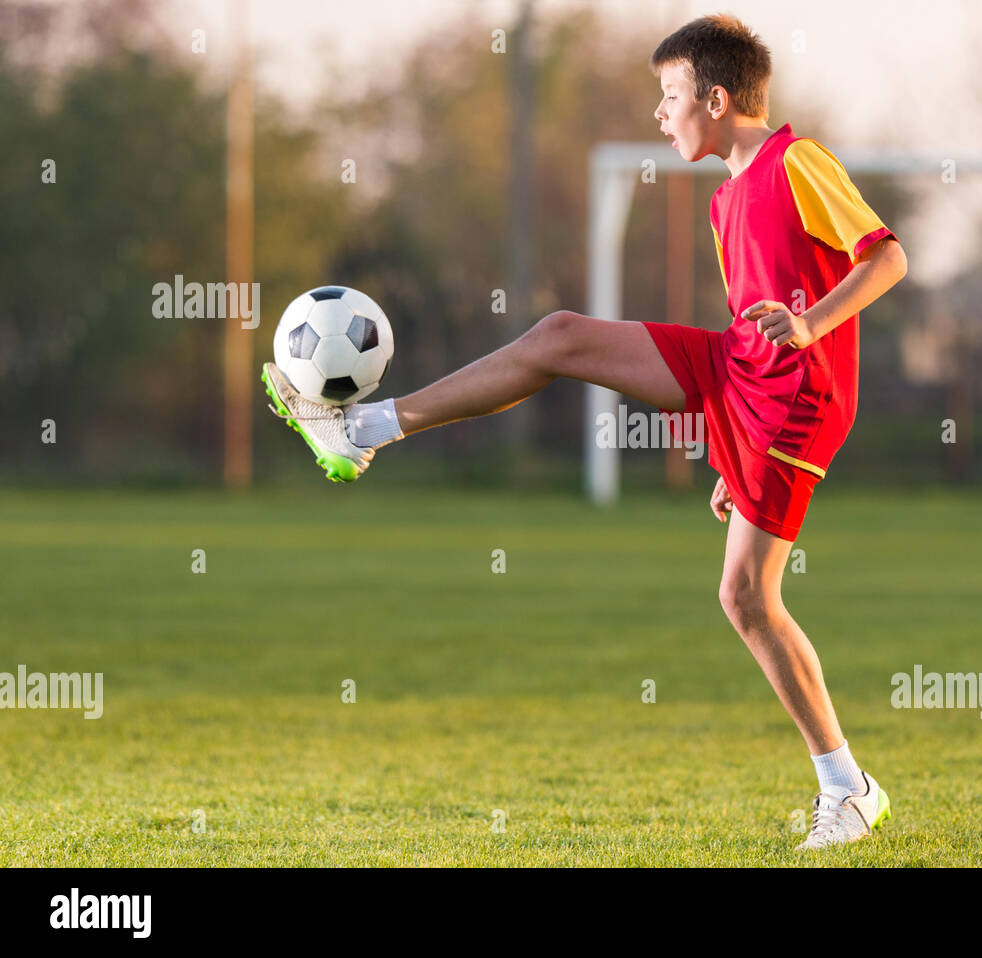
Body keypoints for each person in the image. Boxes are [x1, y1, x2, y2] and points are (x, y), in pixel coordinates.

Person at [262, 13, 907, 849]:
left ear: (715, 99)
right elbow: (752, 320)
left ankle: (848, 787)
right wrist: (729, 448)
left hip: (796, 399)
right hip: (741, 380)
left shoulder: (798, 160)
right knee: (559, 334)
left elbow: (887, 257)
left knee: (746, 597)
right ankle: (365, 429)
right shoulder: (723, 201)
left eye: (669, 95)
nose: (660, 112)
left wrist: (814, 325)